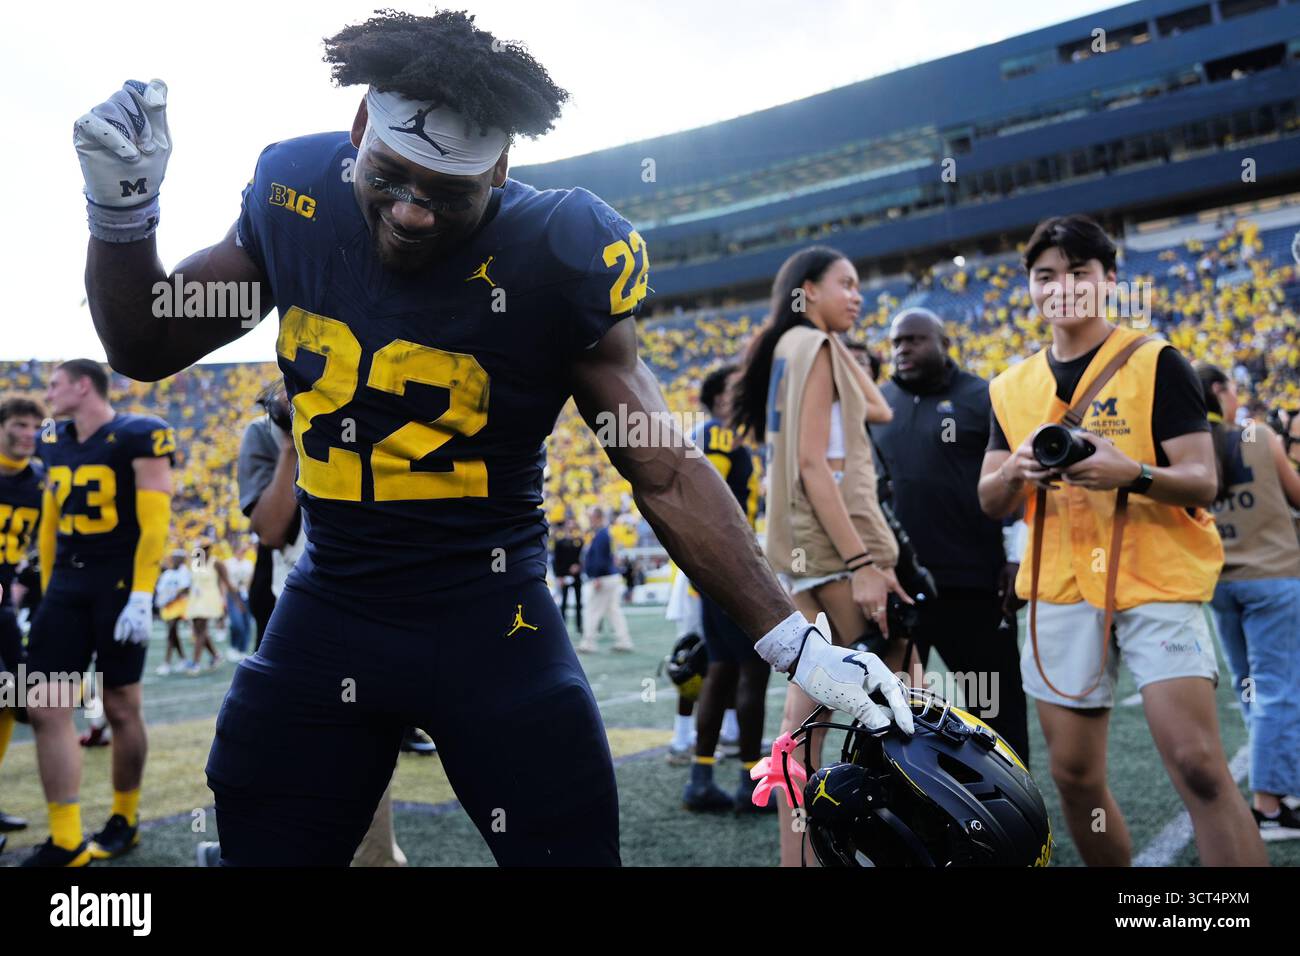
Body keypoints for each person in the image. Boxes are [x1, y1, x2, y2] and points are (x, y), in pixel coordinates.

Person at [75, 11, 910, 866]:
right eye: (393, 177)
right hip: (332, 604)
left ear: (502, 169)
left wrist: (794, 642)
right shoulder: (296, 194)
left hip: (494, 615)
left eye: (449, 193)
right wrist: (121, 212)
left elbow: (660, 465)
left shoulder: (557, 250)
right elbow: (147, 341)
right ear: (358, 130)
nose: (413, 212)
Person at [977, 214, 1265, 866]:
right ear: (1030, 287)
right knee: (1075, 779)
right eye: (1046, 275)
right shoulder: (1009, 387)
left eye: (1079, 272)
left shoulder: (1156, 361)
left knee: (1198, 766)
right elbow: (989, 498)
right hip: (1058, 590)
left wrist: (1129, 472)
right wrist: (1017, 471)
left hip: (1154, 579)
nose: (1062, 287)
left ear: (1109, 279)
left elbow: (1202, 480)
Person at [732, 246, 915, 866]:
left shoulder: (801, 347)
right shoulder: (810, 348)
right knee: (902, 723)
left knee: (800, 740)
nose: (858, 295)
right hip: (840, 552)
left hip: (802, 556)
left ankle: (799, 861)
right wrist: (865, 564)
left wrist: (842, 342)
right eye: (846, 284)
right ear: (807, 290)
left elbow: (882, 409)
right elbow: (814, 466)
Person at [23, 360, 174, 866]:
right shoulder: (53, 439)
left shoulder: (139, 433)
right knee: (46, 705)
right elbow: (48, 522)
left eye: (55, 384)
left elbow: (156, 521)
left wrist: (141, 593)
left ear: (82, 385)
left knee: (121, 707)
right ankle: (66, 839)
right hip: (67, 582)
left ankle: (123, 818)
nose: (48, 393)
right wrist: (46, 591)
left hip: (117, 583)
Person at [872, 308, 1029, 762]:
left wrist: (1015, 554)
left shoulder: (984, 396)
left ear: (944, 343)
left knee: (996, 709)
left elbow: (1017, 482)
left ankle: (1012, 813)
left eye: (916, 339)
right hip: (900, 585)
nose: (903, 349)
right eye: (897, 341)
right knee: (890, 709)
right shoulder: (877, 403)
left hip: (975, 582)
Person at [1198, 363, 1300, 840]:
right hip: (1273, 576)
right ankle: (1269, 806)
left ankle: (1280, 788)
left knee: (1249, 687)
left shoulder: (1189, 448)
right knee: (1278, 689)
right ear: (1220, 391)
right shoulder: (1259, 437)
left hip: (1219, 583)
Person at [681, 364, 771, 812]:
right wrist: (725, 563)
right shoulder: (717, 433)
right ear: (718, 396)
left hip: (715, 565)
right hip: (729, 564)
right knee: (754, 669)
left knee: (721, 669)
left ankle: (701, 778)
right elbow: (704, 498)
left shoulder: (722, 434)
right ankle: (750, 783)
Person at [0, 395, 46, 847]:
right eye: (17, 423)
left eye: (34, 425)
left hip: (5, 604)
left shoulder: (38, 480)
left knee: (13, 696)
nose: (26, 432)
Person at [577, 506, 633, 653]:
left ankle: (588, 643)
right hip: (610, 577)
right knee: (613, 611)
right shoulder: (603, 533)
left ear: (598, 517)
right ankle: (624, 641)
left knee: (592, 611)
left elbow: (600, 559)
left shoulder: (602, 535)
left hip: (604, 578)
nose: (589, 520)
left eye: (591, 517)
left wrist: (596, 576)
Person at [154, 551, 191, 675]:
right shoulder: (168, 573)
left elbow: (185, 588)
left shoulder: (184, 571)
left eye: (178, 558)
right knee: (173, 634)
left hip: (179, 606)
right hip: (168, 606)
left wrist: (172, 595)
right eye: (174, 558)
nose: (175, 560)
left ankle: (167, 663)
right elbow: (161, 590)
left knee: (171, 632)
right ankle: (184, 659)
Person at [551, 519, 584, 634]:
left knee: (579, 602)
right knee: (563, 602)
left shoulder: (579, 541)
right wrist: (559, 576)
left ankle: (580, 626)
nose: (571, 528)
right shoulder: (559, 542)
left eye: (573, 526)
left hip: (576, 576)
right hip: (564, 576)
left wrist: (579, 566)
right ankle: (562, 626)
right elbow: (556, 561)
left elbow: (582, 558)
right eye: (569, 525)